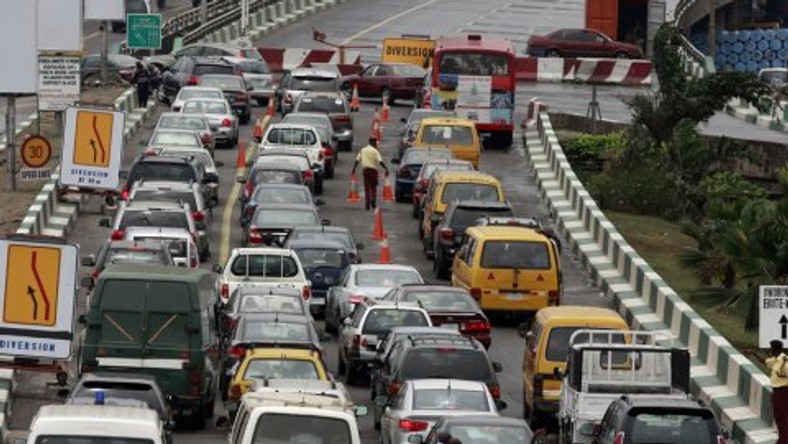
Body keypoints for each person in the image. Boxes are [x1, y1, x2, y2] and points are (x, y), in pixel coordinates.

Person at [351, 137, 389, 210]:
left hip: (366, 171)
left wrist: (354, 169)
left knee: (367, 188)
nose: (376, 145)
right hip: (373, 171)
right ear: (373, 143)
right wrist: (385, 168)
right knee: (373, 187)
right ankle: (373, 200)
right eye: (375, 143)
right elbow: (380, 161)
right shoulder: (375, 151)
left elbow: (357, 160)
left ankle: (367, 204)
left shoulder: (363, 150)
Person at [767, 339, 788, 443]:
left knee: (782, 418)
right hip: (777, 393)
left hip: (783, 393)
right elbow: (766, 362)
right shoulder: (775, 359)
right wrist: (753, 354)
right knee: (779, 418)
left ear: (778, 349)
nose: (771, 350)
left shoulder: (784, 362)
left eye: (773, 348)